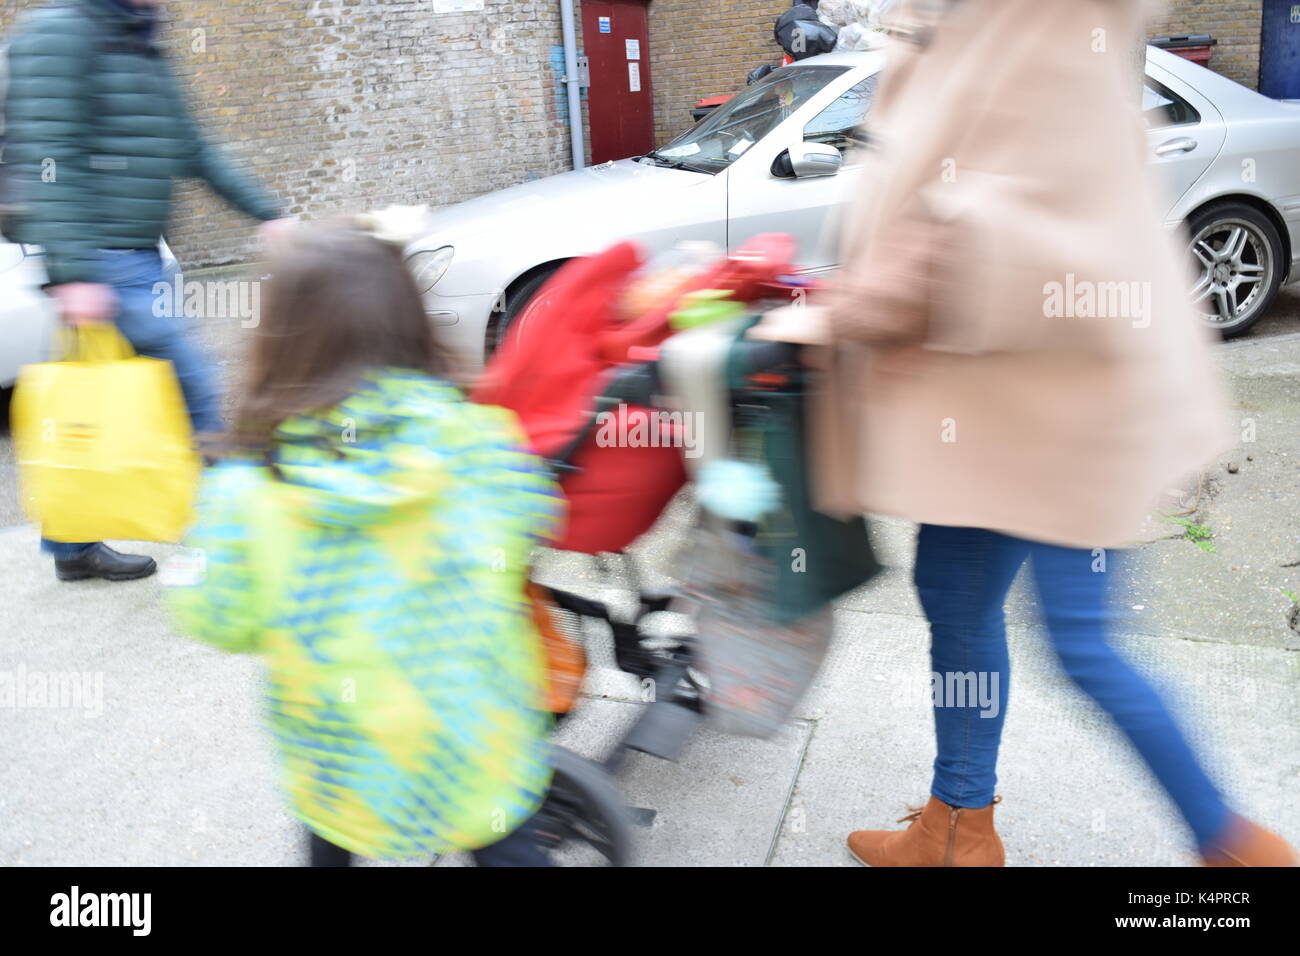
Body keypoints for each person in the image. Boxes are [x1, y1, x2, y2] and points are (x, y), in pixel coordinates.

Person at [754, 0, 1294, 866]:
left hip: (1059, 407)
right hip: (998, 409)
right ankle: (957, 825)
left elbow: (991, 232)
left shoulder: (1041, 22)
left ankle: (1237, 853)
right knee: (957, 599)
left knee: (1082, 641)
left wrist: (840, 314)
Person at [164, 216, 564, 866]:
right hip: (479, 739)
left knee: (335, 843)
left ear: (279, 341)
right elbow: (532, 520)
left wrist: (187, 569)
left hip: (345, 762)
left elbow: (219, 617)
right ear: (410, 321)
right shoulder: (480, 442)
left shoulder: (249, 492)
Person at [4, 0, 289, 582]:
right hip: (103, 263)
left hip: (138, 258)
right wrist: (74, 268)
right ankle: (236, 542)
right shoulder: (60, 32)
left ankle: (73, 545)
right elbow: (47, 157)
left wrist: (268, 214)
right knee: (196, 396)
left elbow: (193, 147)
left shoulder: (139, 39)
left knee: (93, 405)